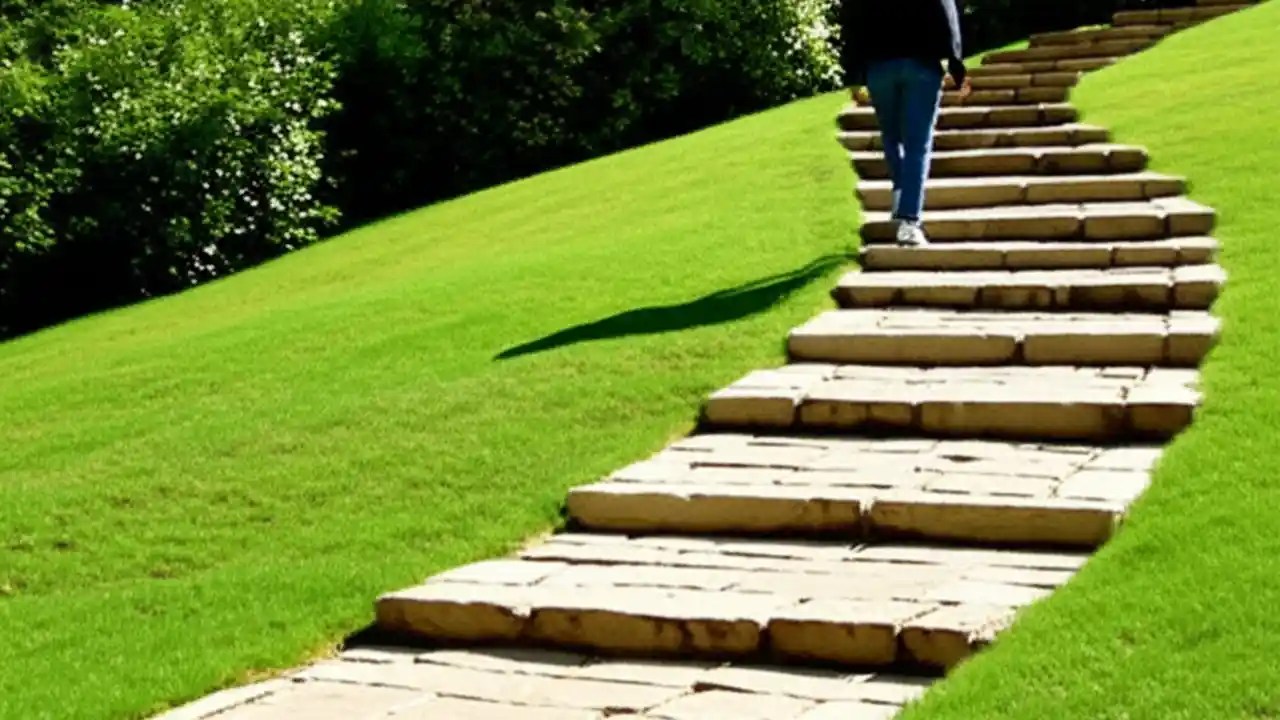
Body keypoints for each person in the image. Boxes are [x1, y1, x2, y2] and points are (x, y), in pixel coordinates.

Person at [840, 0, 971, 247]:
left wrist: (854, 75)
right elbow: (946, 12)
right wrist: (957, 68)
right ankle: (909, 222)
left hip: (879, 68)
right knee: (917, 143)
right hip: (921, 65)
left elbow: (853, 20)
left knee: (890, 135)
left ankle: (900, 191)